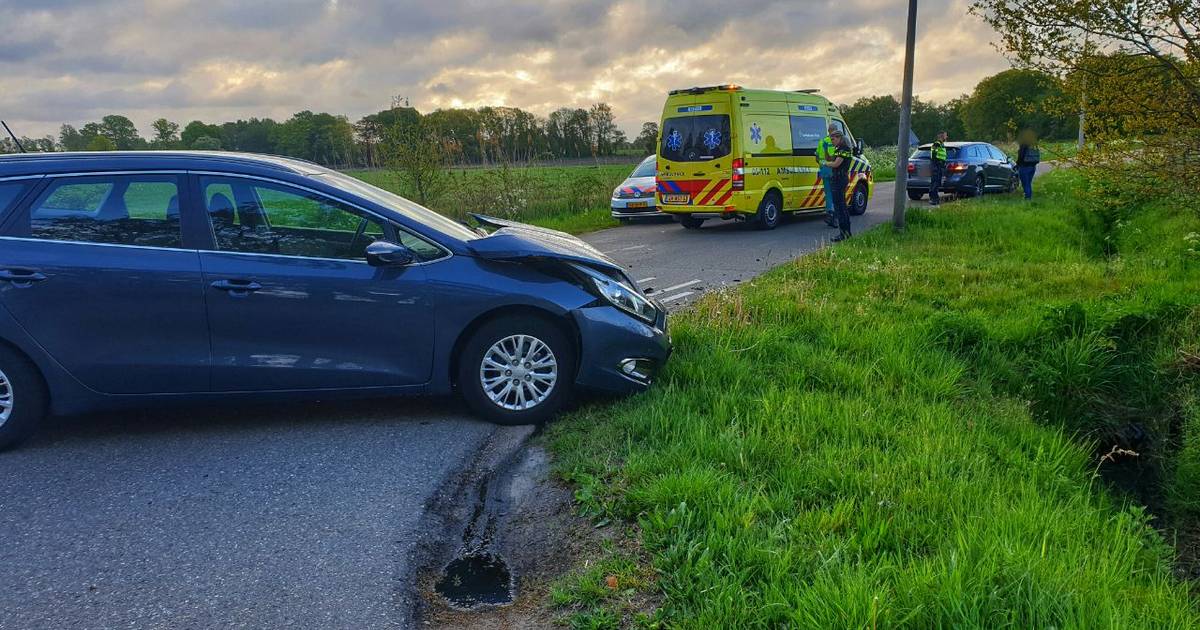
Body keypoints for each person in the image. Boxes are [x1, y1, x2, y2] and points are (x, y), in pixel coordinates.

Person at [828, 130, 854, 242]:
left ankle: (844, 233)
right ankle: (846, 233)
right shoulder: (841, 148)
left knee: (840, 207)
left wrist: (825, 163)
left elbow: (836, 163)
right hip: (839, 178)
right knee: (841, 206)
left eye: (833, 139)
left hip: (839, 179)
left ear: (839, 138)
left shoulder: (843, 149)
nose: (832, 141)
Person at [816, 124, 838, 227]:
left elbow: (817, 157)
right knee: (836, 193)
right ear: (835, 131)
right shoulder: (837, 142)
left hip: (824, 170)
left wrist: (823, 164)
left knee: (828, 193)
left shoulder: (822, 141)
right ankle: (834, 215)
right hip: (834, 170)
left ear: (828, 131)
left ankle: (829, 213)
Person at [1016, 130, 1040, 200]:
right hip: (1033, 166)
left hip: (1024, 166)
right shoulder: (1034, 144)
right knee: (1028, 184)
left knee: (1025, 184)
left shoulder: (1024, 144)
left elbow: (1021, 156)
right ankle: (1028, 197)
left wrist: (1017, 164)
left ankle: (1027, 198)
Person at [929, 131, 948, 206]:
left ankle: (935, 198)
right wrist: (937, 163)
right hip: (936, 166)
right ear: (941, 136)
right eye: (945, 136)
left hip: (939, 166)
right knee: (935, 182)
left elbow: (941, 155)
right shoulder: (937, 143)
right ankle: (933, 198)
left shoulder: (942, 144)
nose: (946, 137)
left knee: (937, 182)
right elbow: (933, 153)